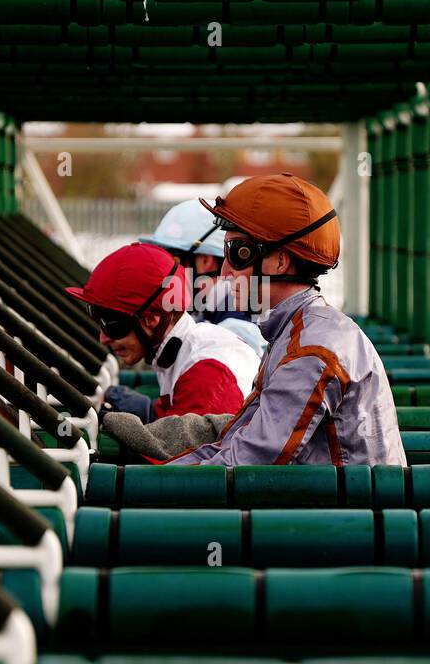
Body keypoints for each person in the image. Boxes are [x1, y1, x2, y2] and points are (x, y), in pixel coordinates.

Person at [168, 173, 406, 467]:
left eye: (237, 253)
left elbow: (247, 463)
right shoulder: (295, 331)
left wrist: (139, 488)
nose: (225, 270)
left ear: (280, 260)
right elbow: (233, 445)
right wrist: (150, 477)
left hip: (345, 512)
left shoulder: (311, 349)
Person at [67, 242, 260, 422]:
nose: (103, 338)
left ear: (152, 319)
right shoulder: (185, 351)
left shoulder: (206, 372)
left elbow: (193, 456)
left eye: (113, 325)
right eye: (96, 319)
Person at [141, 197, 267, 355]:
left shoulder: (237, 326)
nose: (166, 273)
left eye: (173, 260)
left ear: (206, 261)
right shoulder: (211, 309)